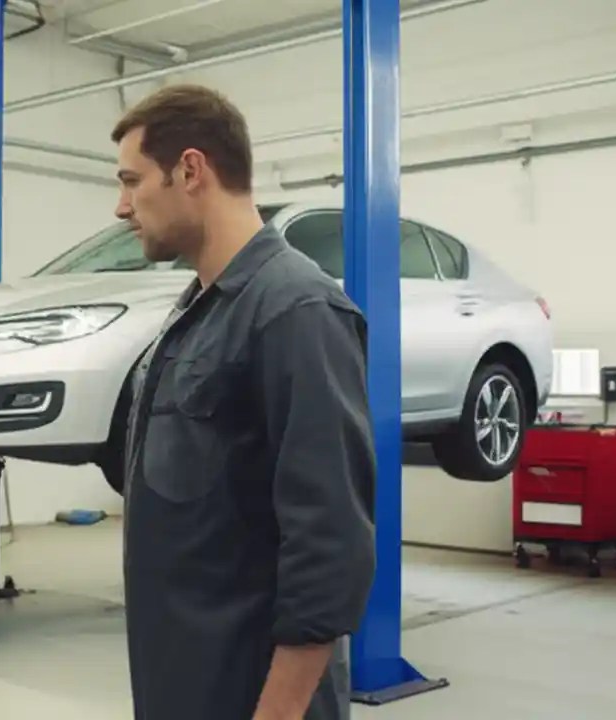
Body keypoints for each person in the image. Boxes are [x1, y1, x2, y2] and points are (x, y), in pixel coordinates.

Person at [112, 84, 377, 720]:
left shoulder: (296, 310)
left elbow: (330, 543)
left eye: (131, 181)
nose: (121, 207)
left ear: (190, 170)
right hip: (185, 687)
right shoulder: (195, 314)